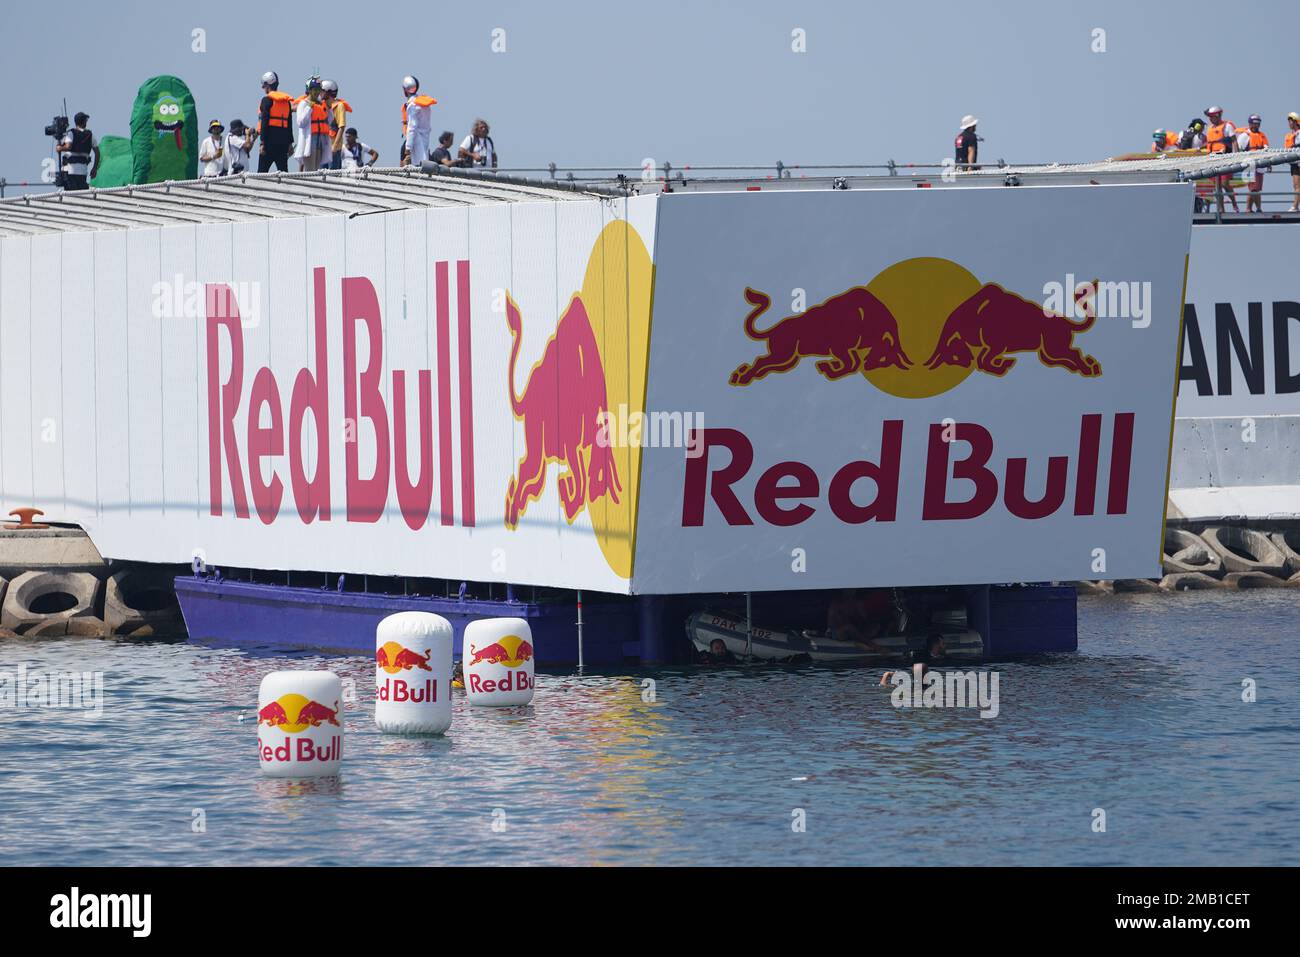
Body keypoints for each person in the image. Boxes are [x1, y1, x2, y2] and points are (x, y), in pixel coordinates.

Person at [827, 588, 892, 651]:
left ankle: (861, 643)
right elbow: (834, 623)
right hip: (837, 631)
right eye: (848, 590)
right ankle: (874, 646)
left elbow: (864, 619)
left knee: (874, 626)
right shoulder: (835, 604)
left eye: (852, 590)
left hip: (855, 630)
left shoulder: (856, 602)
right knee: (849, 628)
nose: (850, 592)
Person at [256, 71, 294, 173]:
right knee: (284, 174)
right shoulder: (286, 102)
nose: (263, 88)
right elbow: (289, 124)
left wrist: (262, 143)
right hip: (283, 143)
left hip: (269, 143)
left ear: (268, 85)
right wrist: (290, 143)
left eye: (264, 85)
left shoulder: (266, 100)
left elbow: (264, 122)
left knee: (261, 174)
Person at [1203, 106, 1239, 213]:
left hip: (1225, 158)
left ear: (1218, 115)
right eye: (1209, 117)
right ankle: (1221, 210)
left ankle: (1234, 203)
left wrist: (1236, 156)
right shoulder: (1209, 128)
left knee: (1224, 184)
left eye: (1212, 116)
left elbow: (1234, 141)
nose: (1210, 119)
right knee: (1217, 187)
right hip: (1213, 160)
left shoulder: (1227, 126)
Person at [294, 76, 332, 172]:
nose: (317, 92)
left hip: (320, 142)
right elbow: (300, 123)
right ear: (309, 90)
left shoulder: (320, 104)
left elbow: (330, 121)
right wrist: (309, 107)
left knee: (317, 170)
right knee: (310, 170)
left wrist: (328, 108)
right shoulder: (303, 104)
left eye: (319, 89)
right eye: (315, 89)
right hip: (309, 143)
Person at [56, 111, 100, 190]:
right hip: (83, 171)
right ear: (84, 122)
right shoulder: (90, 135)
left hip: (70, 171)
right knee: (81, 196)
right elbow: (97, 152)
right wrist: (94, 168)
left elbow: (68, 146)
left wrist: (59, 148)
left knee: (70, 196)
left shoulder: (71, 133)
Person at [400, 75, 437, 167]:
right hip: (425, 140)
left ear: (405, 90)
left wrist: (408, 148)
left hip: (416, 142)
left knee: (416, 167)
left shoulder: (412, 105)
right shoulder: (424, 103)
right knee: (424, 164)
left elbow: (412, 127)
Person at [1239, 115, 1269, 212]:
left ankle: (1248, 208)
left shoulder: (1262, 135)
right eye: (1254, 123)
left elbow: (1267, 150)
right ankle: (1259, 208)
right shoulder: (1244, 136)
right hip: (1249, 165)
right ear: (1250, 123)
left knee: (1255, 189)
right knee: (1254, 189)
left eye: (1257, 124)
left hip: (1260, 165)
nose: (1255, 126)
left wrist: (1269, 163)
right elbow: (1238, 151)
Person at [321, 79, 351, 170]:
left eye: (322, 91)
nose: (320, 93)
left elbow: (341, 127)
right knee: (320, 177)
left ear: (328, 92)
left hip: (334, 150)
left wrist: (334, 147)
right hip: (323, 149)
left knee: (333, 178)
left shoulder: (339, 106)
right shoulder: (322, 106)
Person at [1285, 112, 1300, 213]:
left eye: (1290, 121)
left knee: (1298, 186)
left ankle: (1295, 206)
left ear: (1294, 122)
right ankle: (1296, 206)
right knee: (1295, 186)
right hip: (1294, 162)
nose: (1289, 123)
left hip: (1298, 161)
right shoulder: (1291, 135)